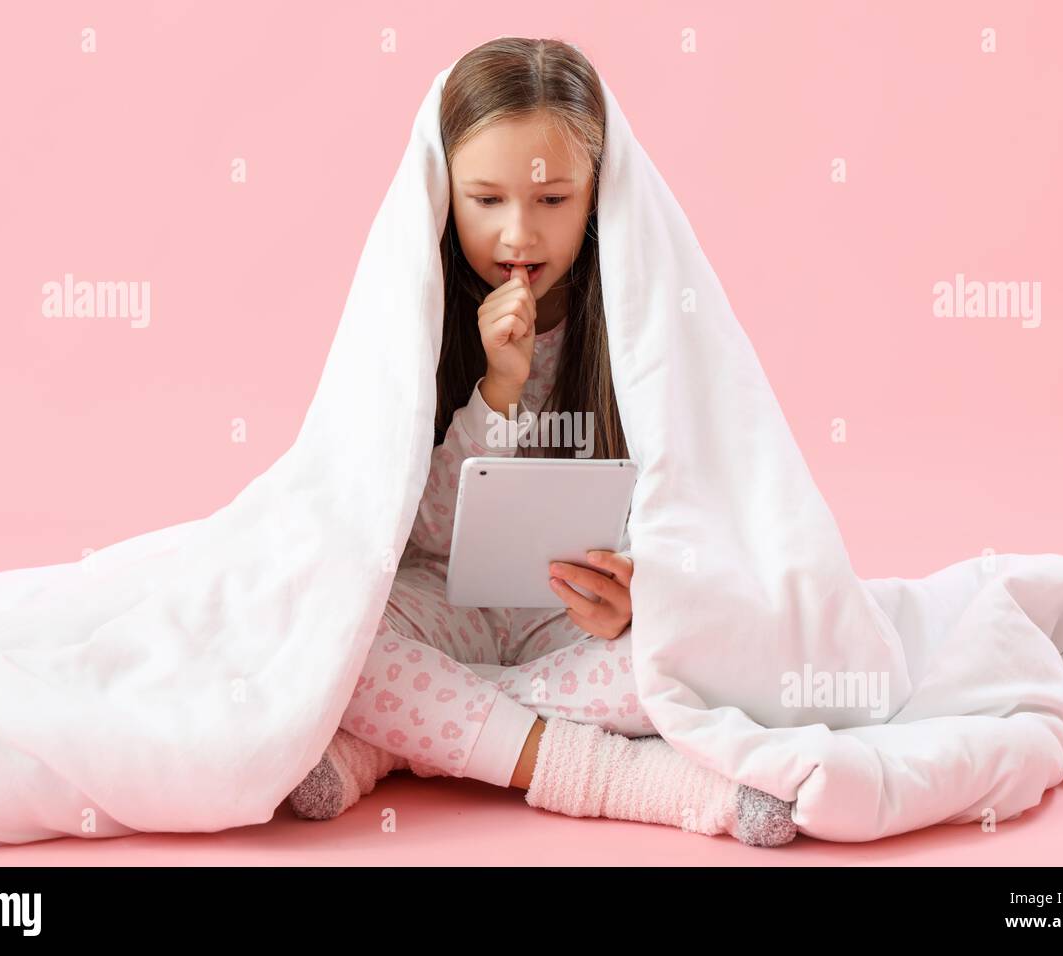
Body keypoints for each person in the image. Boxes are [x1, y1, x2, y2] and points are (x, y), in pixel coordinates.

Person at [286, 37, 796, 848]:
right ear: (444, 189)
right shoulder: (417, 308)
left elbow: (695, 501)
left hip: (569, 621)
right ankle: (626, 779)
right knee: (329, 647)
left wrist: (642, 590)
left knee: (699, 663)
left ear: (600, 193)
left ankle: (416, 736)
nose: (517, 235)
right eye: (485, 200)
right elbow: (410, 531)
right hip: (435, 600)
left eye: (553, 200)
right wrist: (497, 390)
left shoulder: (640, 313)